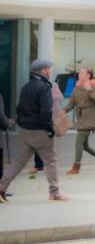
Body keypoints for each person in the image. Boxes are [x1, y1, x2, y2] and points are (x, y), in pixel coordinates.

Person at [0, 58, 69, 203]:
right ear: (43, 70)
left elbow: (20, 108)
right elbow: (46, 112)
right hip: (40, 131)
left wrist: (22, 122)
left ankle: (1, 187)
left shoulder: (27, 86)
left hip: (25, 131)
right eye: (48, 68)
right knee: (51, 161)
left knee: (18, 162)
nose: (50, 71)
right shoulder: (44, 87)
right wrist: (50, 129)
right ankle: (54, 193)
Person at [66, 67, 95, 175]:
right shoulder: (77, 87)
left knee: (78, 142)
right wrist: (62, 112)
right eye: (79, 73)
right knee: (85, 146)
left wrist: (89, 89)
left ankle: (76, 167)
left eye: (82, 73)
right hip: (80, 117)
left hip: (90, 116)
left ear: (88, 75)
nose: (79, 74)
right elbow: (71, 103)